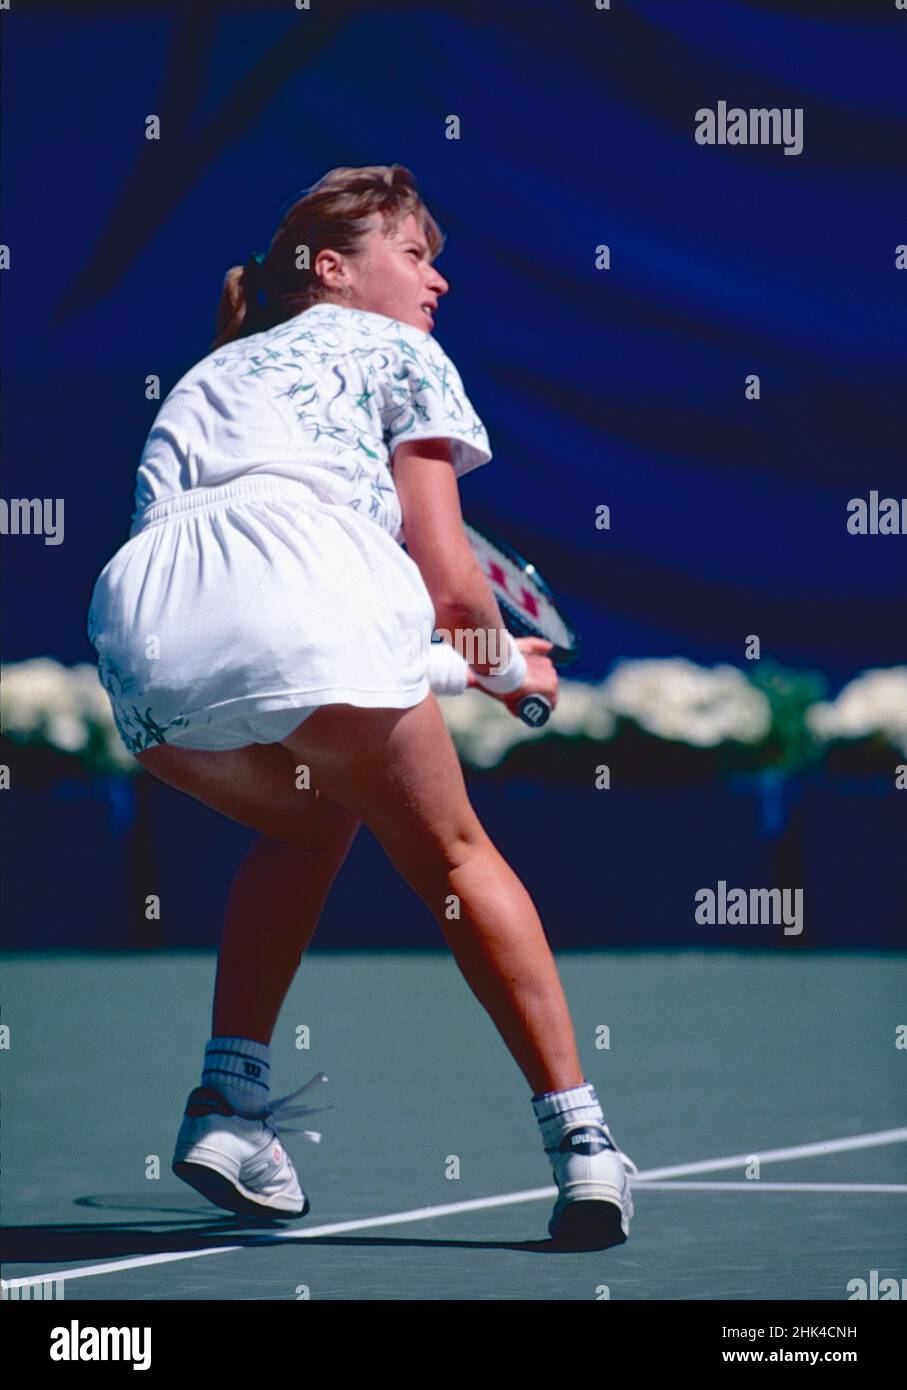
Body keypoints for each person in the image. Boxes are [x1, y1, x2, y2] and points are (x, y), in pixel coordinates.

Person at [86, 164, 637, 1250]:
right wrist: (500, 669)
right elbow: (439, 575)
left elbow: (257, 617)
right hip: (301, 609)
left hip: (146, 642)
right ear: (330, 270)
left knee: (315, 816)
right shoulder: (399, 352)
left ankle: (229, 1103)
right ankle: (585, 1148)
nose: (438, 282)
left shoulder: (208, 375)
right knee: (455, 858)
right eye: (416, 254)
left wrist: (450, 666)